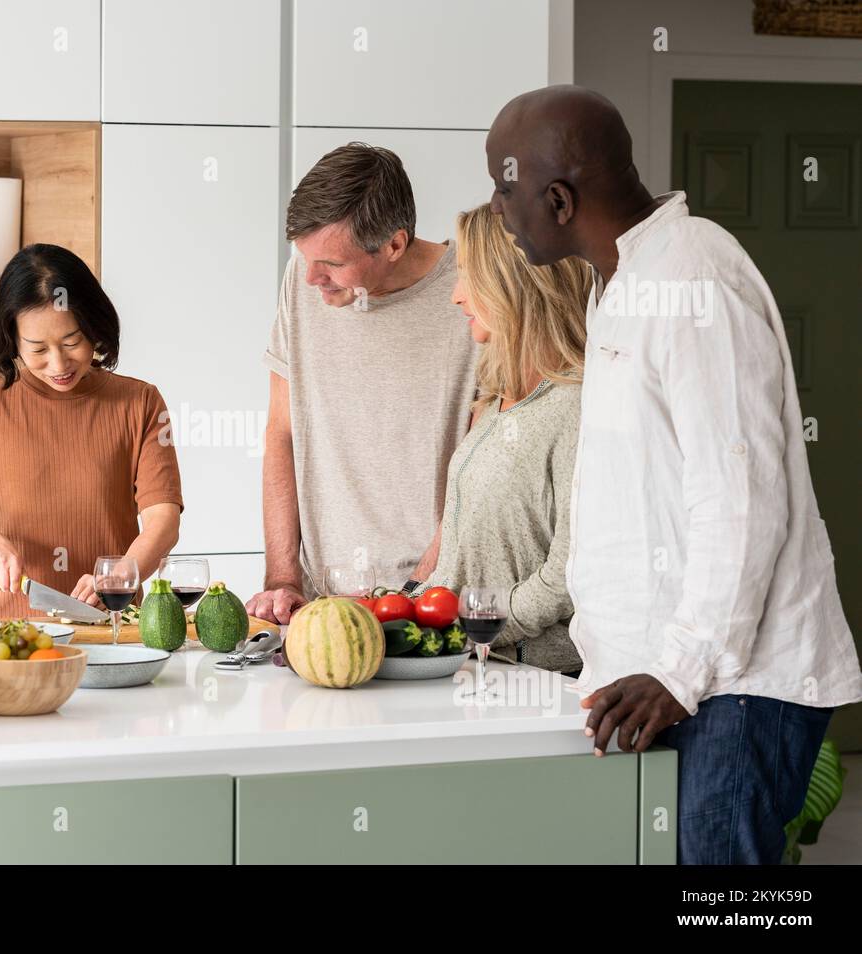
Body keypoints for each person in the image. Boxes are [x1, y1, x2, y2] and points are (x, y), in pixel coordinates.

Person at [485, 85, 862, 863]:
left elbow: (742, 500)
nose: (498, 209)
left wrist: (679, 671)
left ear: (557, 200)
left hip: (732, 690)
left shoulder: (692, 279)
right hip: (673, 686)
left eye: (505, 187)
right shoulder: (622, 283)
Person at [245, 143, 478, 624]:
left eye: (331, 263)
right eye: (303, 258)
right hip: (322, 606)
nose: (312, 278)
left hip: (431, 606)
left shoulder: (473, 293)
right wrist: (283, 579)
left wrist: (416, 593)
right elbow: (281, 435)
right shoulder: (305, 279)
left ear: (394, 244)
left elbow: (478, 472)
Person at [0, 243, 183, 618]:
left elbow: (163, 519)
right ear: (12, 340)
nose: (59, 364)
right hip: (9, 635)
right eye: (38, 349)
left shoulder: (140, 402)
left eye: (72, 342)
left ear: (95, 327)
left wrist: (124, 573)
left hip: (112, 628)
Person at [417, 204, 591, 675]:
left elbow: (568, 576)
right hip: (476, 664)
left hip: (542, 679)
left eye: (469, 276)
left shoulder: (578, 405)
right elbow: (459, 554)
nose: (456, 296)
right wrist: (408, 605)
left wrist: (475, 624)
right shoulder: (494, 401)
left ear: (513, 284)